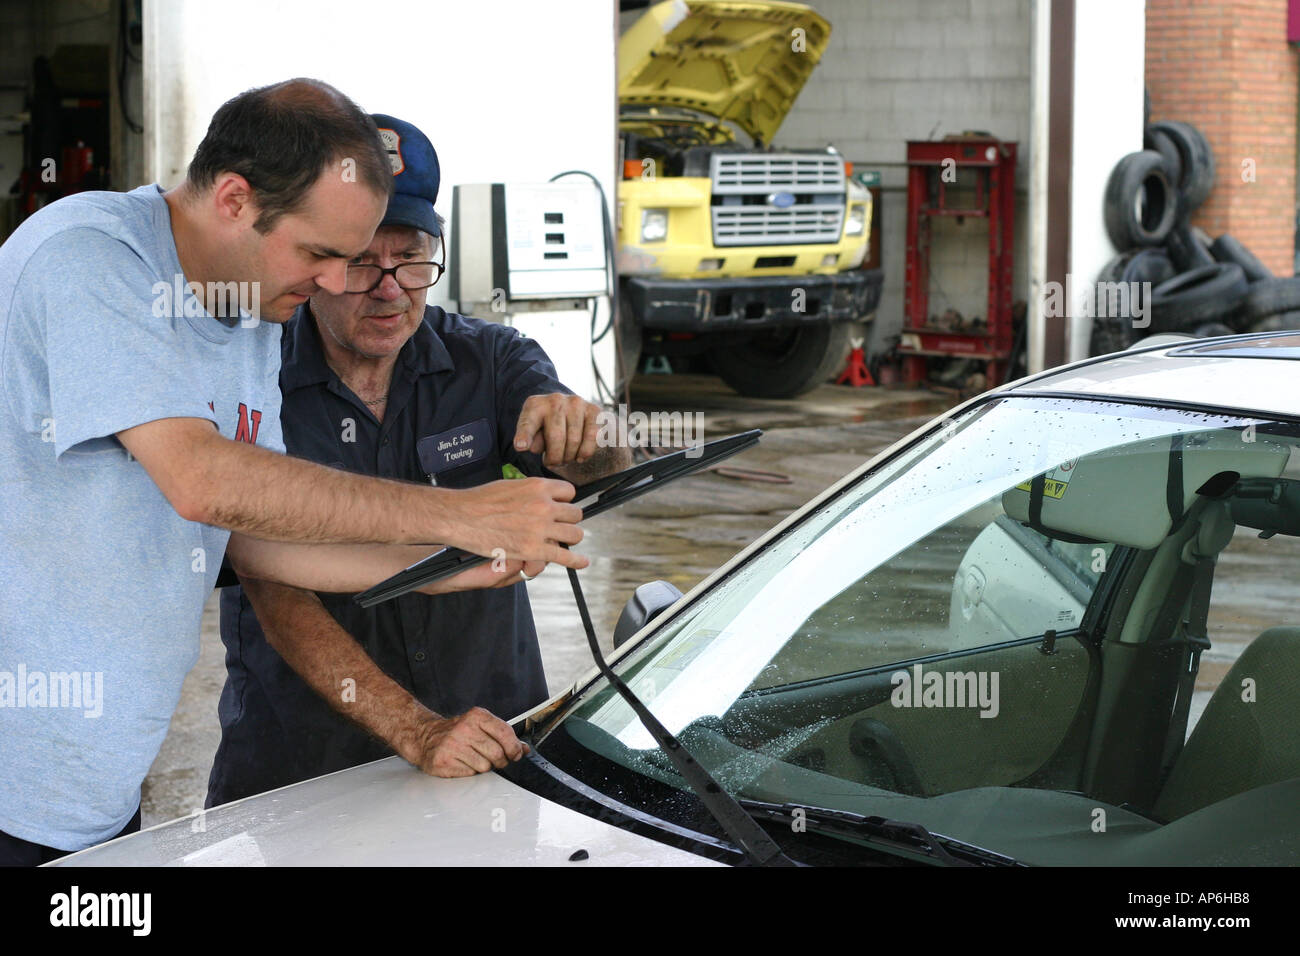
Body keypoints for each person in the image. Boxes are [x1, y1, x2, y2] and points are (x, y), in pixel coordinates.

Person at [0, 79, 588, 864]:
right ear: (236, 199)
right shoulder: (90, 257)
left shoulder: (249, 312)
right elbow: (203, 480)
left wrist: (446, 568)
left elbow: (256, 542)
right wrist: (460, 516)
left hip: (90, 782)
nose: (339, 284)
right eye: (321, 255)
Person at [206, 115, 631, 804]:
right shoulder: (255, 380)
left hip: (493, 743)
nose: (391, 287)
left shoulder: (491, 360)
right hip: (304, 765)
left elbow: (603, 475)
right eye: (366, 260)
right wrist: (415, 728)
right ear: (321, 258)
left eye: (412, 257)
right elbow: (271, 584)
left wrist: (586, 435)